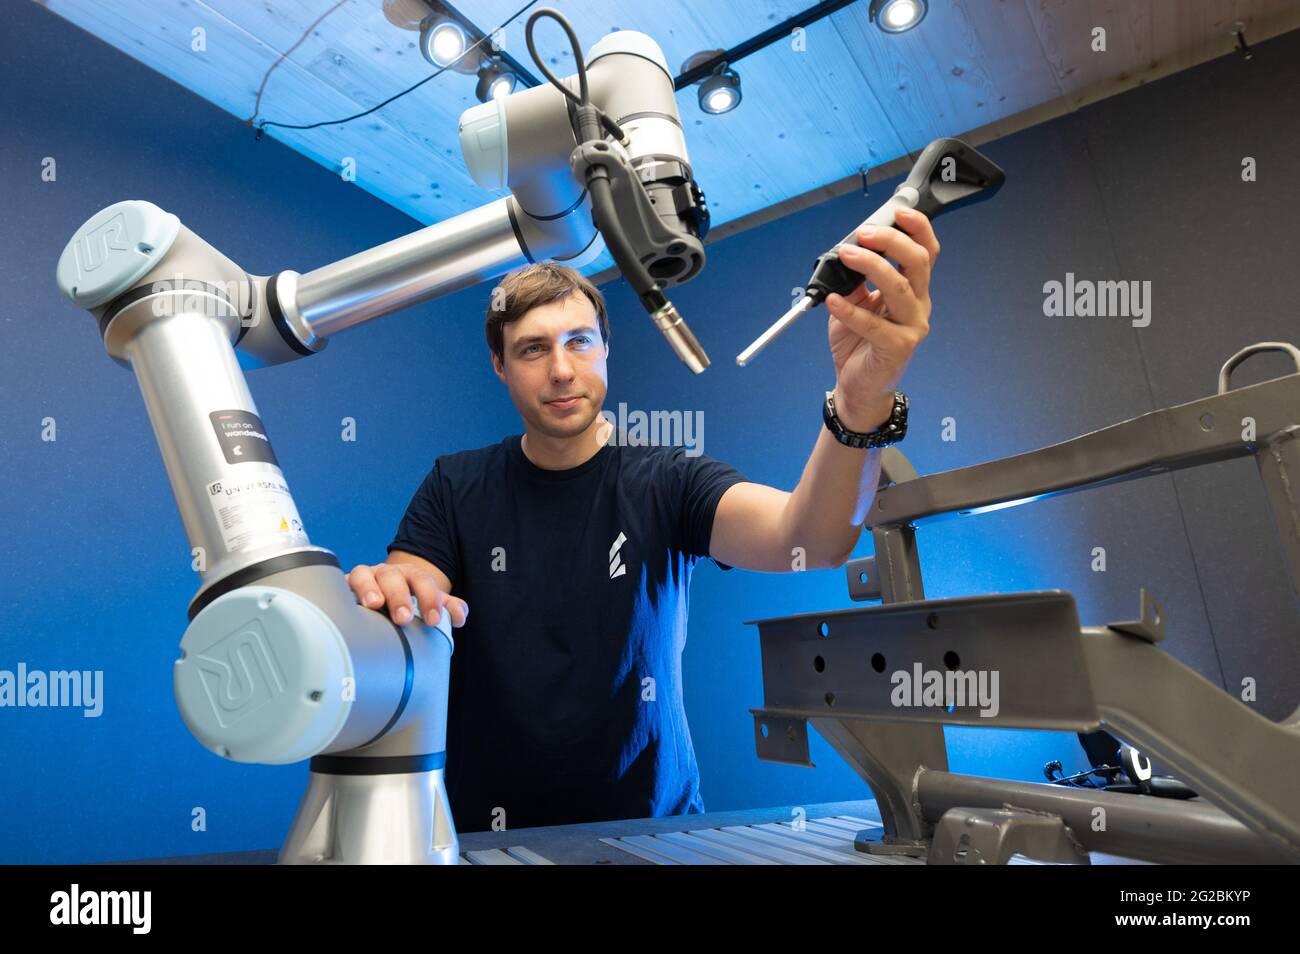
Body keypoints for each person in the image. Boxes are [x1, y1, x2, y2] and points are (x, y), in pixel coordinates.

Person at [345, 210, 940, 831]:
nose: (561, 369)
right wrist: (397, 594)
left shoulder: (668, 480)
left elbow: (811, 540)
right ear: (500, 365)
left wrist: (861, 400)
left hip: (655, 830)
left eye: (579, 341)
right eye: (532, 348)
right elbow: (413, 585)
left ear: (605, 349)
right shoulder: (455, 484)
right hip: (488, 835)